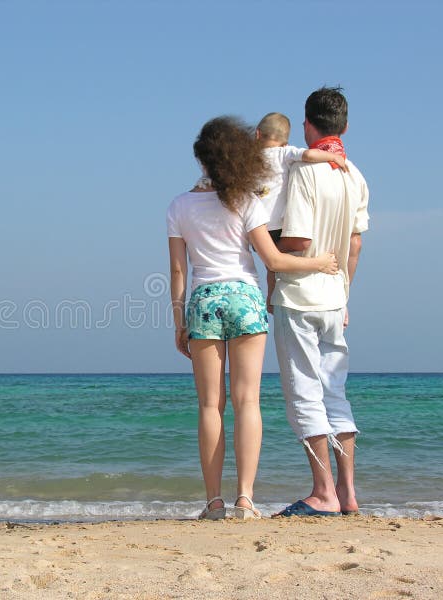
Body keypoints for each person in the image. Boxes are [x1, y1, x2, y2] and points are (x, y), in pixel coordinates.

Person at [167, 116, 339, 520]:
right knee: (248, 402)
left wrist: (179, 321)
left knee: (211, 405)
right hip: (244, 298)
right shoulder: (247, 200)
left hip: (204, 301)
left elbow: (178, 272)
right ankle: (245, 499)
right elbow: (274, 259)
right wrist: (321, 263)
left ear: (202, 159)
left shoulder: (179, 206)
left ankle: (213, 503)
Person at [270, 87, 370, 518]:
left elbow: (298, 239)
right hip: (334, 298)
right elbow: (355, 244)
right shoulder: (355, 174)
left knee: (304, 393)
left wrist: (266, 246)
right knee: (336, 394)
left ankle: (323, 492)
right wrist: (345, 292)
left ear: (307, 124)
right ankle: (348, 494)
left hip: (300, 293)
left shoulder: (304, 173)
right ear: (344, 126)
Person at [253, 112, 347, 312]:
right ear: (285, 142)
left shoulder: (249, 159)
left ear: (257, 134)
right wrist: (333, 156)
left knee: (271, 265)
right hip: (278, 224)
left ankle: (270, 295)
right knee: (277, 263)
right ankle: (315, 266)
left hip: (256, 226)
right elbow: (309, 155)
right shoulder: (284, 153)